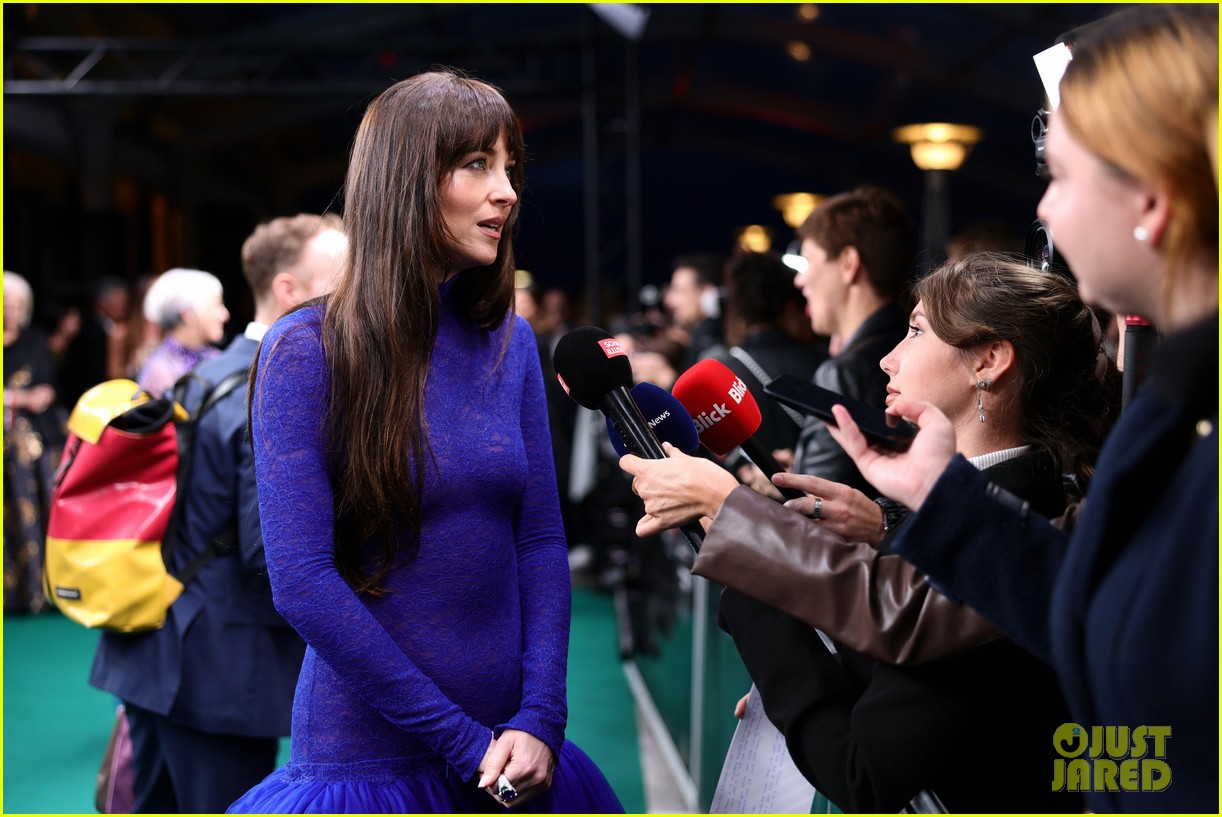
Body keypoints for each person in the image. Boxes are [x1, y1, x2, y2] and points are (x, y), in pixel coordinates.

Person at [822, 6, 1217, 811]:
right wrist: (944, 499)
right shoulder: (1175, 400)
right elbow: (1093, 625)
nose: (1042, 211)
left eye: (1063, 178)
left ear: (1149, 201)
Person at [227, 70, 622, 814]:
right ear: (406, 178)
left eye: (510, 167)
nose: (506, 190)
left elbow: (540, 542)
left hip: (518, 750)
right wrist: (466, 742)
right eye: (478, 164)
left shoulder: (510, 341)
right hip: (372, 761)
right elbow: (303, 580)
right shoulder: (305, 349)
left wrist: (540, 718)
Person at [622, 255, 1115, 810]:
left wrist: (771, 628)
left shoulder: (1000, 522)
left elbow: (864, 775)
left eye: (915, 331)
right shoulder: (1028, 497)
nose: (887, 358)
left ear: (989, 360)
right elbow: (910, 642)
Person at [88, 214, 348, 813]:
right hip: (216, 670)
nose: (360, 286)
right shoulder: (274, 384)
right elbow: (273, 555)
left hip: (154, 642)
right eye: (342, 272)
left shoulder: (202, 374)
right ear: (288, 290)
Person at [785, 185, 914, 496]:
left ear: (847, 263)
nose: (799, 280)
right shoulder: (914, 346)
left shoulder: (845, 372)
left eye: (809, 262)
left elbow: (816, 514)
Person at [3, 272, 68, 613]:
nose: (10, 310)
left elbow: (46, 391)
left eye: (16, 304)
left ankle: (40, 591)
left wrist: (18, 398)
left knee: (45, 505)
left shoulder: (35, 340)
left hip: (36, 446)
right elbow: (27, 396)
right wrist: (17, 398)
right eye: (4, 304)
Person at [136, 268, 230, 397]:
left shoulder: (216, 357)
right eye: (217, 305)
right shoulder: (161, 370)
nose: (225, 315)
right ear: (188, 315)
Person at [663, 252, 725, 372]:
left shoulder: (712, 347)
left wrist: (665, 379)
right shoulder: (697, 339)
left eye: (678, 290)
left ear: (708, 293)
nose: (669, 300)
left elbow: (704, 390)